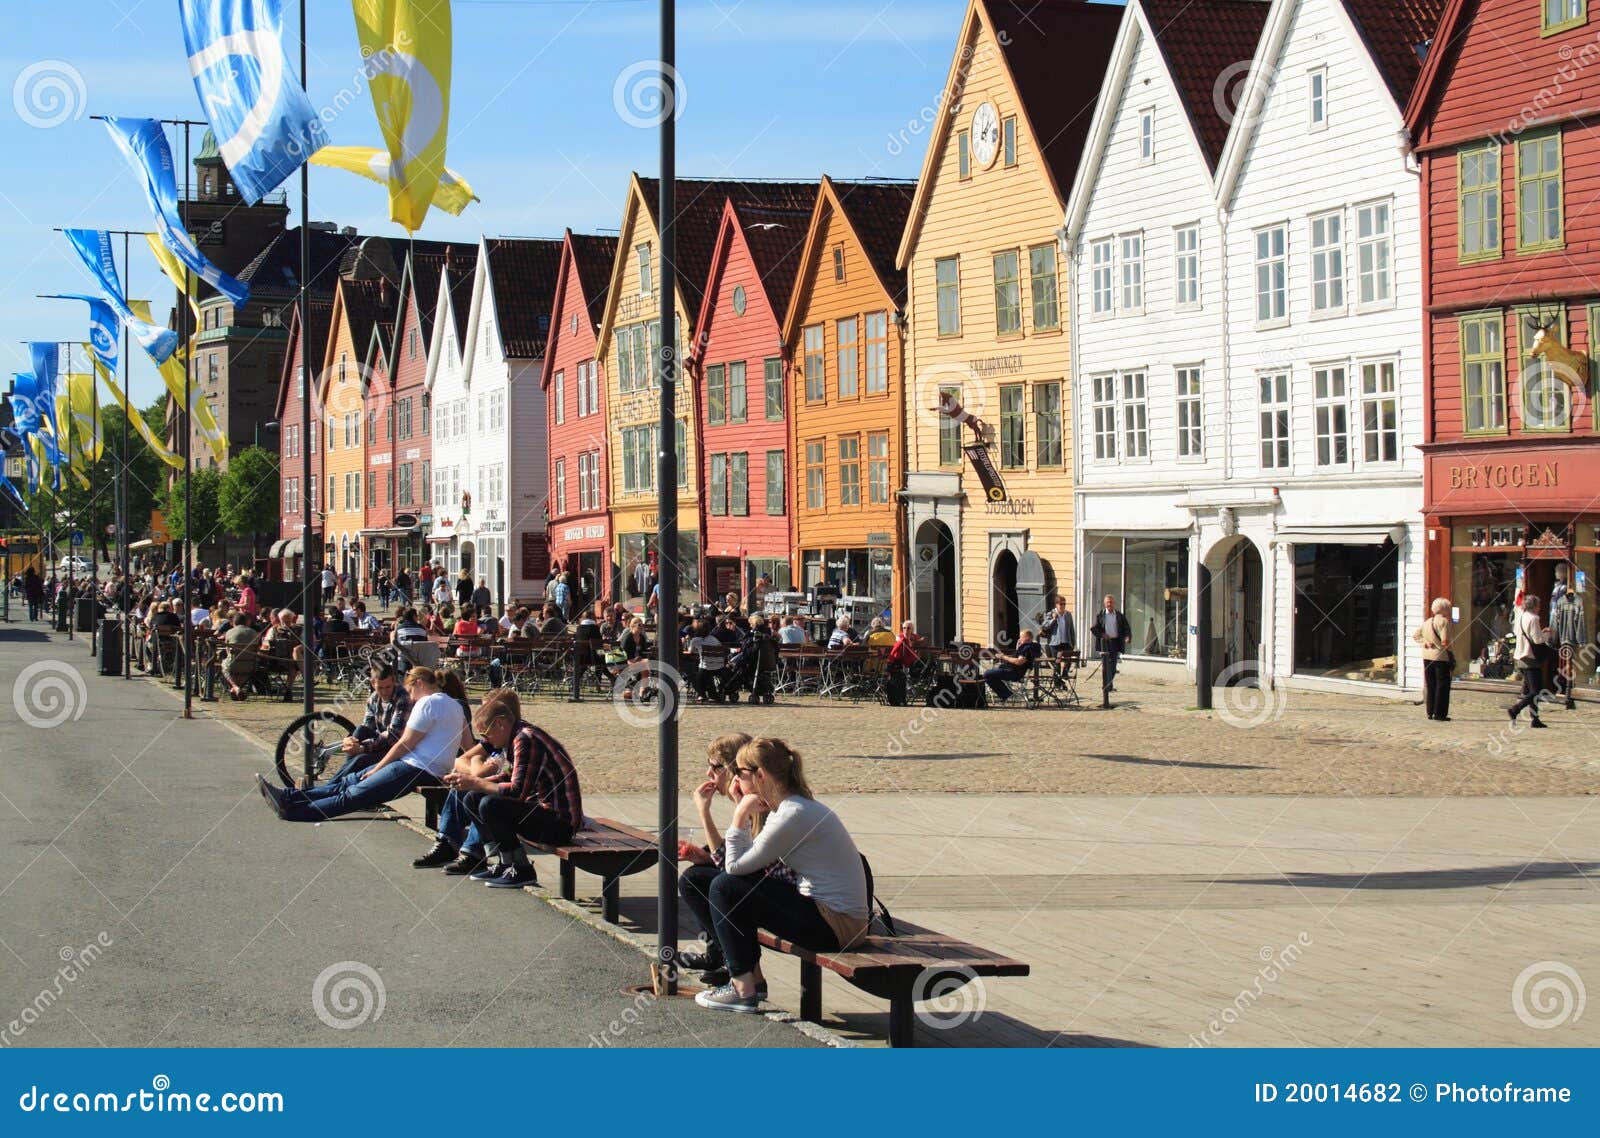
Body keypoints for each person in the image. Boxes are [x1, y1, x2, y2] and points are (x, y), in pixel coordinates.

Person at [695, 738, 869, 1014]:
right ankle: (749, 978)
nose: (736, 781)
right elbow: (750, 863)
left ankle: (742, 988)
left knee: (725, 886)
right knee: (701, 880)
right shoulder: (789, 808)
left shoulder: (792, 814)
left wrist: (739, 815)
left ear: (760, 775)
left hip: (837, 926)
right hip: (831, 916)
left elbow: (735, 868)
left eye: (740, 774)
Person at [258, 666, 471, 821]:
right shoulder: (456, 706)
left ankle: (294, 811)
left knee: (353, 794)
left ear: (419, 684)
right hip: (421, 766)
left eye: (411, 691)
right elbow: (468, 745)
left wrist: (377, 769)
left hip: (416, 767)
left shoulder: (427, 703)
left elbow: (404, 743)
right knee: (348, 782)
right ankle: (288, 797)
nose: (411, 698)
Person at [436, 693, 586, 888]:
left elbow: (517, 792)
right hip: (540, 811)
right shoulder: (514, 737)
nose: (486, 740)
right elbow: (508, 777)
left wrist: (476, 782)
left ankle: (522, 869)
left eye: (486, 734)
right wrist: (471, 781)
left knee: (491, 804)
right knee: (473, 798)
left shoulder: (526, 739)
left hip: (560, 822)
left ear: (500, 723)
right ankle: (505, 863)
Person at [678, 733, 786, 988]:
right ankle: (724, 956)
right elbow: (733, 856)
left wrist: (704, 812)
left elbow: (733, 865)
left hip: (781, 891)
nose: (709, 773)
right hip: (763, 880)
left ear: (734, 769)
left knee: (704, 882)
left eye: (716, 766)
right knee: (697, 877)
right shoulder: (749, 799)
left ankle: (737, 966)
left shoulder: (758, 803)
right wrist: (705, 856)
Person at [324, 663, 414, 781]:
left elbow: (393, 736)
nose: (385, 692)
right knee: (360, 731)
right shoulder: (373, 698)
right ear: (373, 684)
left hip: (397, 749)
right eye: (380, 688)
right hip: (381, 743)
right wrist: (351, 741)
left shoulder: (402, 698)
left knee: (360, 759)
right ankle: (339, 784)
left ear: (394, 682)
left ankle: (332, 786)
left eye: (388, 687)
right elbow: (367, 726)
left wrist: (362, 749)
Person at [1509, 595, 1553, 728]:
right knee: (1536, 691)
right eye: (1538, 605)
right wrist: (1547, 634)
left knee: (1530, 690)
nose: (1539, 608)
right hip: (1530, 657)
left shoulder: (1521, 616)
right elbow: (1537, 640)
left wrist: (1541, 632)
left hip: (1520, 656)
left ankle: (1535, 719)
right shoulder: (1533, 618)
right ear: (1534, 606)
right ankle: (1515, 709)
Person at [1413, 597, 1455, 722]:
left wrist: (1425, 642)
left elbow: (1416, 635)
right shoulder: (1443, 622)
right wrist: (1452, 651)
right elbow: (1445, 641)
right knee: (1442, 685)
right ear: (1444, 609)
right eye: (1448, 608)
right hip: (1440, 657)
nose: (1449, 611)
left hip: (1426, 656)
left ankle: (1430, 711)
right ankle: (1439, 713)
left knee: (1430, 684)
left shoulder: (1427, 622)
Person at [1550, 583, 1587, 710]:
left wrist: (1554, 638)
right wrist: (1581, 639)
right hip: (1570, 637)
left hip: (1564, 637)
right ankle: (1567, 690)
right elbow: (1579, 621)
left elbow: (1556, 620)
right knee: (1570, 662)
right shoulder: (1568, 601)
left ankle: (1568, 690)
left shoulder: (1567, 601)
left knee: (1571, 662)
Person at [1090, 594, 1131, 710]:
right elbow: (1093, 628)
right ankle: (1107, 685)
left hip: (1115, 642)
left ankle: (1109, 684)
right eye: (1107, 602)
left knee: (1113, 666)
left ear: (1114, 603)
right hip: (1105, 643)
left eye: (1111, 602)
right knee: (1106, 666)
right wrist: (1102, 635)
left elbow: (1126, 627)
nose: (1109, 604)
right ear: (1105, 603)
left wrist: (1127, 637)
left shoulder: (1119, 615)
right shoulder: (1101, 615)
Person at [981, 629, 1040, 703]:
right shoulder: (1028, 647)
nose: (1019, 639)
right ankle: (1005, 694)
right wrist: (1017, 648)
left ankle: (1006, 694)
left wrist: (1003, 657)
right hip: (1013, 671)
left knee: (987, 674)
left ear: (1027, 638)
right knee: (991, 673)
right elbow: (1018, 658)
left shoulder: (1026, 648)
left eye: (1021, 637)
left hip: (1014, 673)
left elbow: (1019, 661)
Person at [886, 620, 922, 707]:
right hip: (901, 664)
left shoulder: (915, 637)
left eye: (908, 628)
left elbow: (920, 644)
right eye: (904, 628)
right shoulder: (900, 638)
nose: (906, 630)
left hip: (910, 663)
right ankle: (901, 698)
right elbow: (895, 651)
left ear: (912, 629)